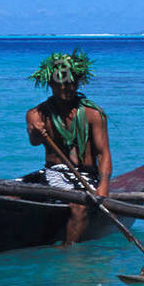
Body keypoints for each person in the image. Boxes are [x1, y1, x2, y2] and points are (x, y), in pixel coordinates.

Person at [25, 49, 111, 245]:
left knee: (78, 206)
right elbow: (34, 141)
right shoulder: (37, 114)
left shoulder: (92, 114)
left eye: (71, 83)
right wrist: (37, 132)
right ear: (51, 84)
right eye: (61, 83)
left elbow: (103, 153)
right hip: (53, 173)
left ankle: (69, 254)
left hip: (86, 175)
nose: (67, 88)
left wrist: (103, 187)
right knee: (9, 192)